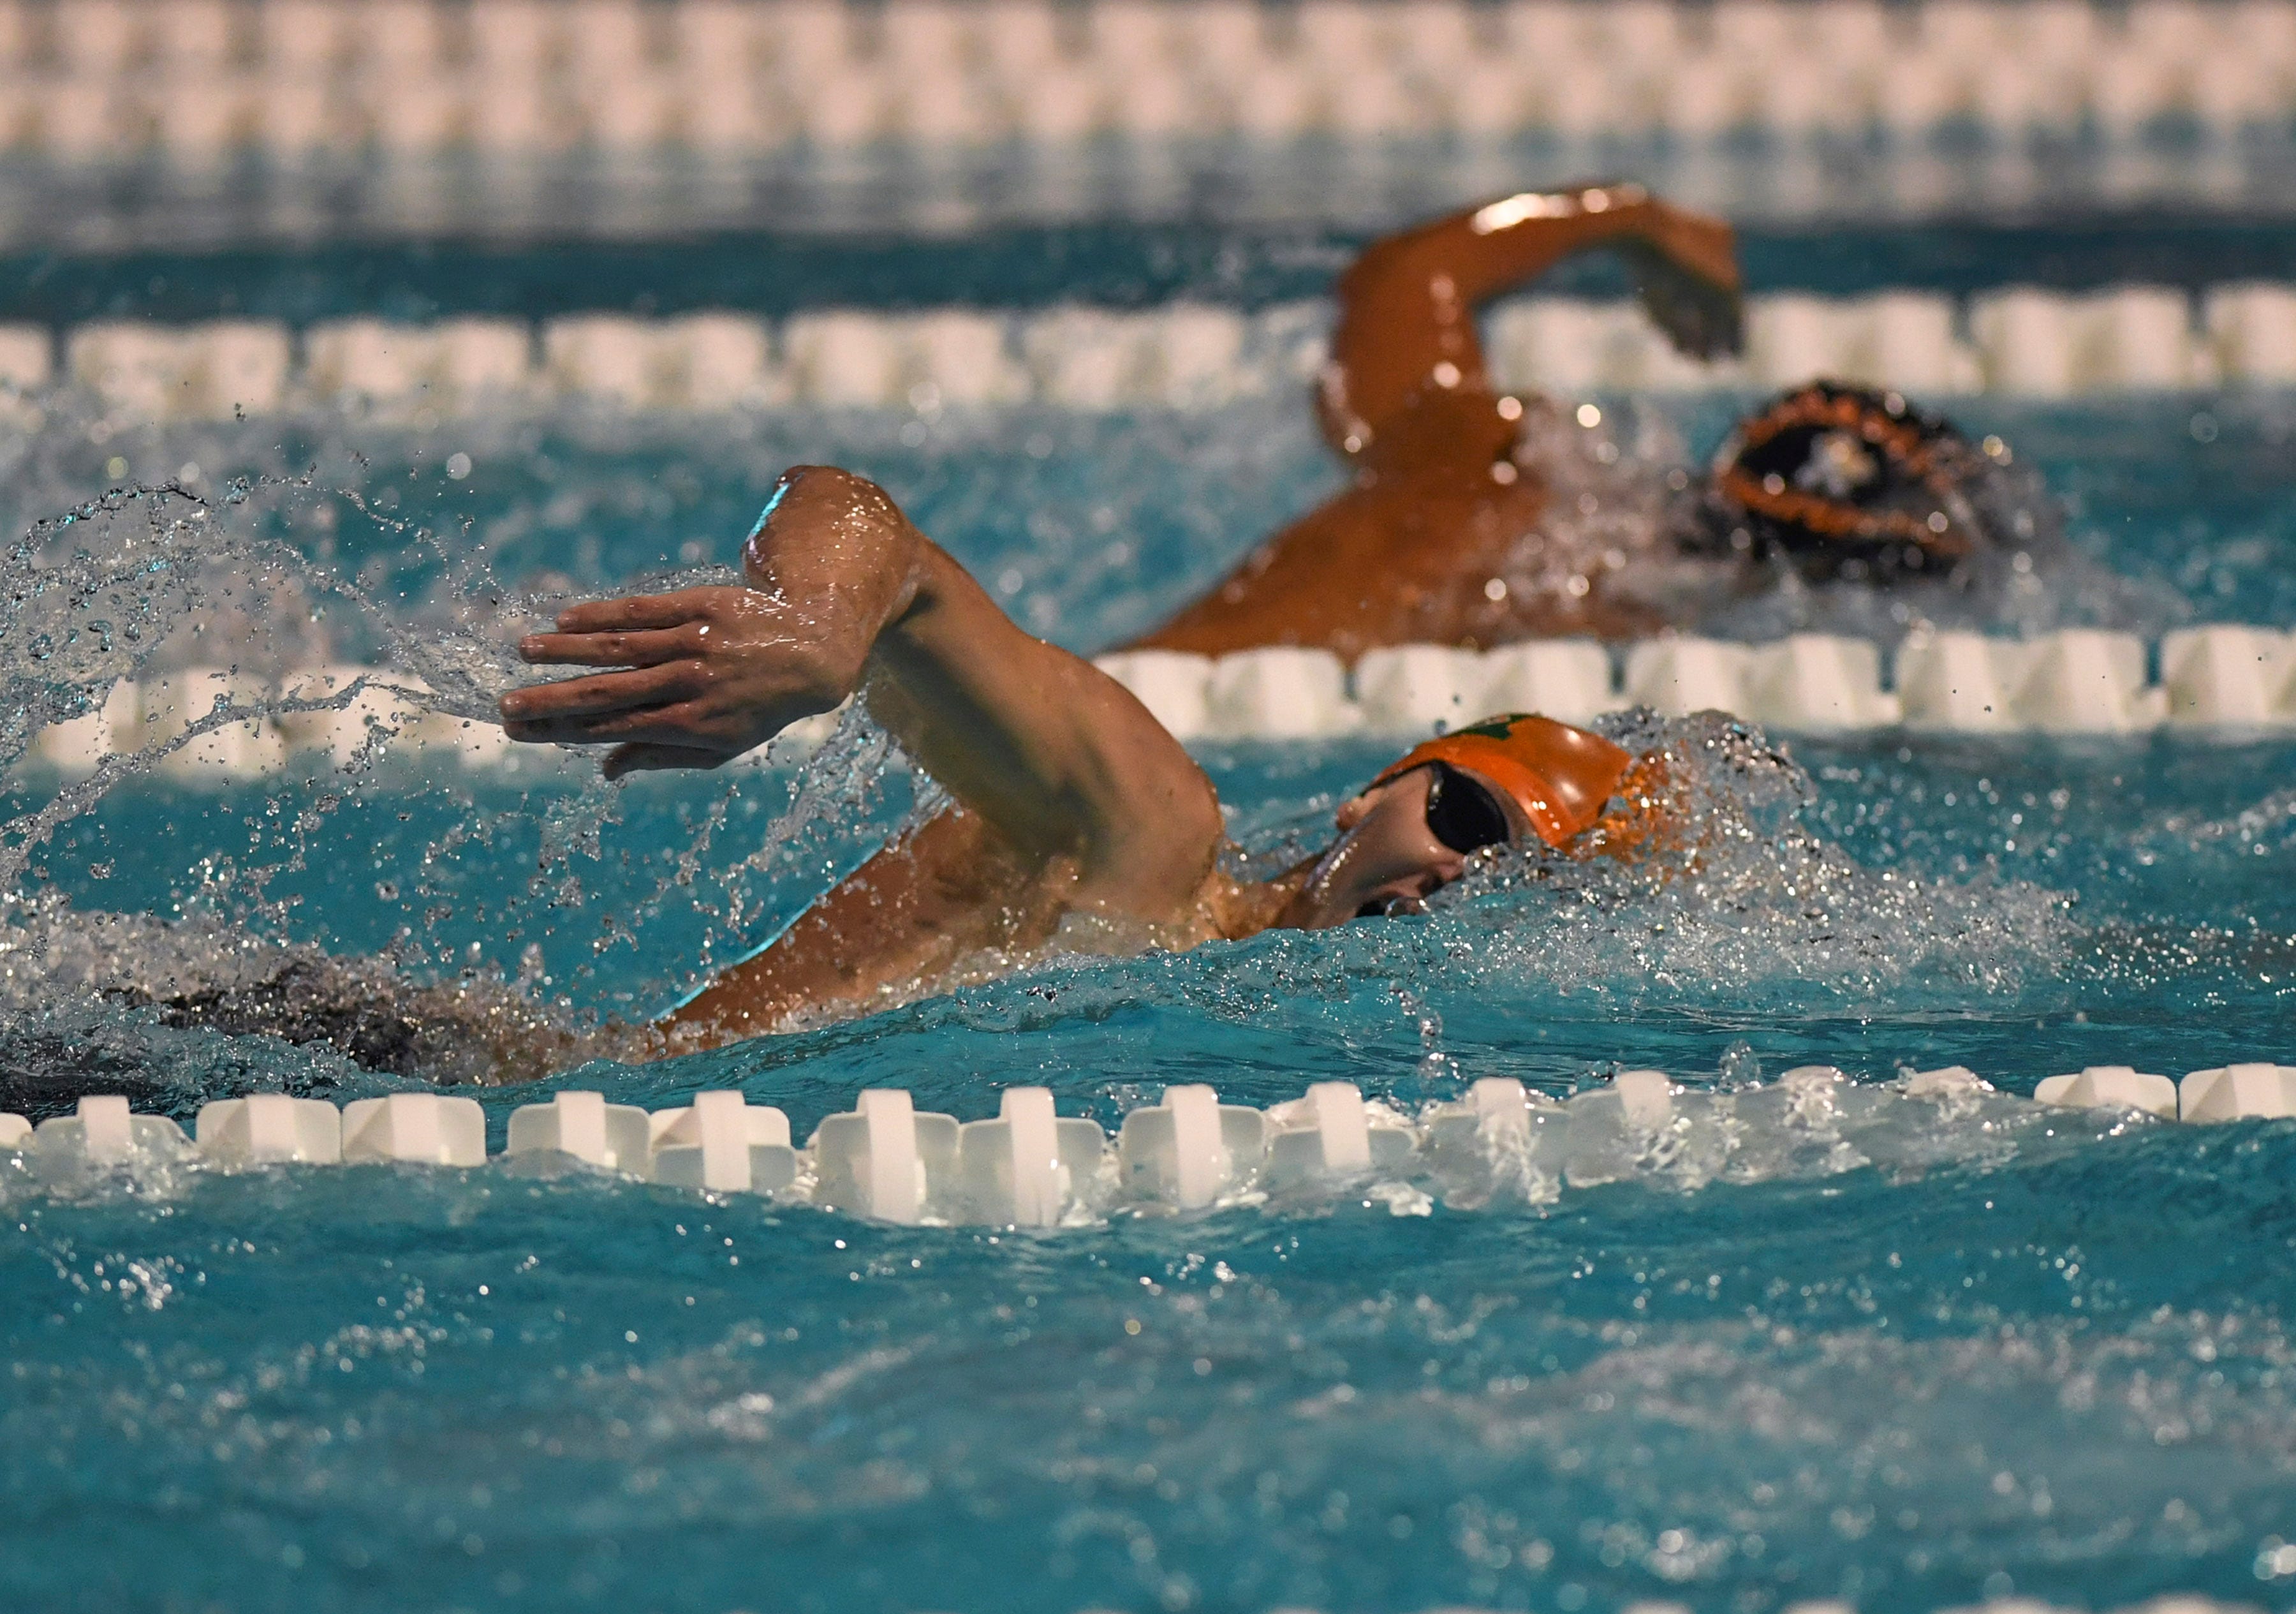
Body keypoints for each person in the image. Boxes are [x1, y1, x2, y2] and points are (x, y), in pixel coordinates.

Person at [499, 465, 1669, 1048]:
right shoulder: (1154, 836)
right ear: (1377, 792)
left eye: (1523, 876)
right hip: (531, 1092)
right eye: (1467, 820)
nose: (1464, 874)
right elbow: (862, 520)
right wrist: (814, 634)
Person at [1127, 182, 2033, 657]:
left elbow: (1400, 280)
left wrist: (1626, 213)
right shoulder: (1612, 616)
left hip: (1094, 695)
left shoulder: (1492, 450)